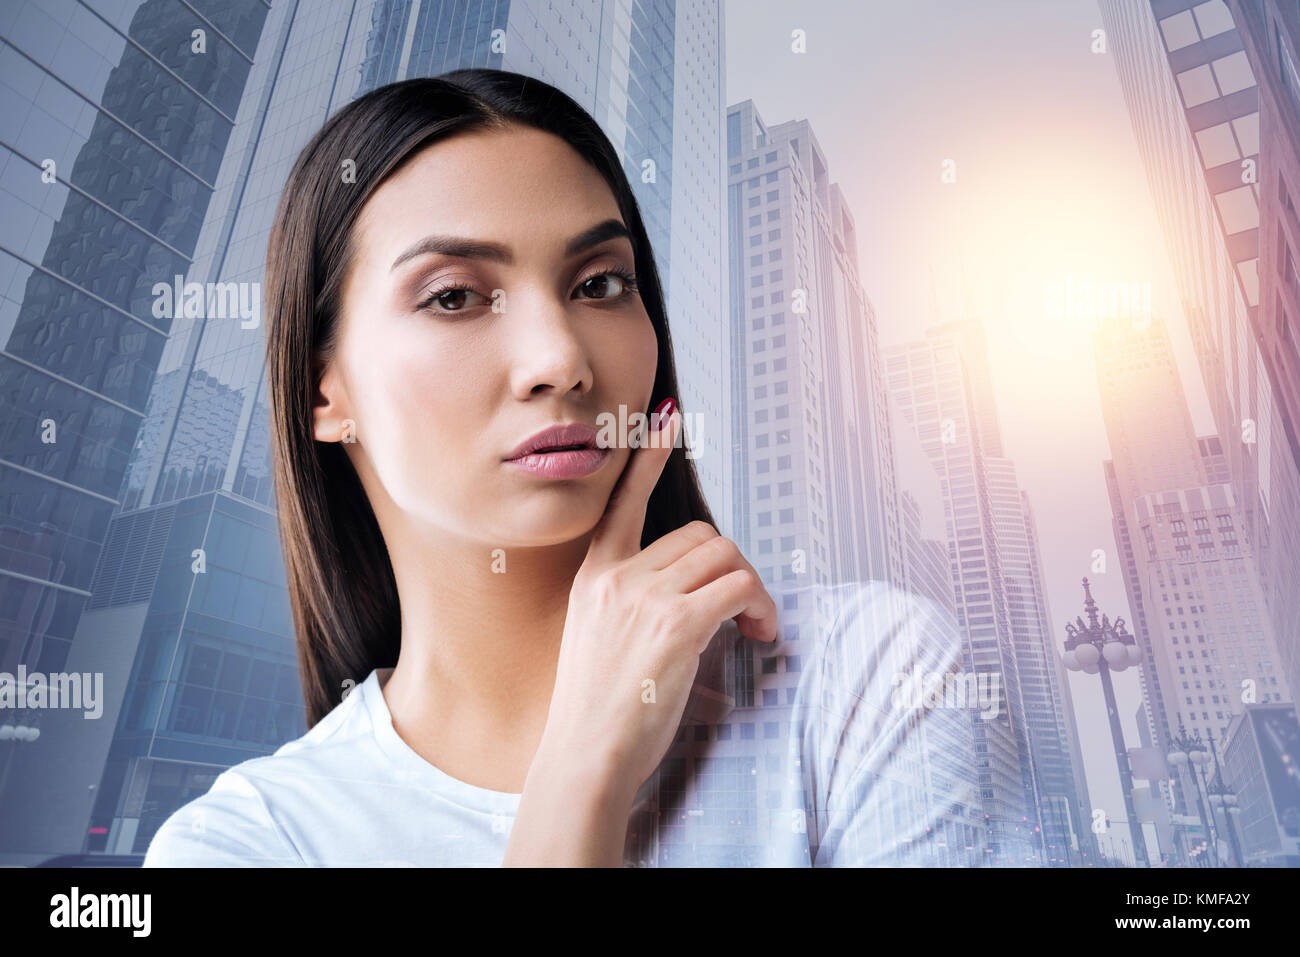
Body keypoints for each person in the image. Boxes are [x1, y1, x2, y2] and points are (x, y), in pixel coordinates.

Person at [143, 69, 977, 867]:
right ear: (323, 390)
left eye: (601, 282)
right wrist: (582, 774)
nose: (560, 360)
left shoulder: (865, 681)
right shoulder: (246, 843)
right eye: (455, 297)